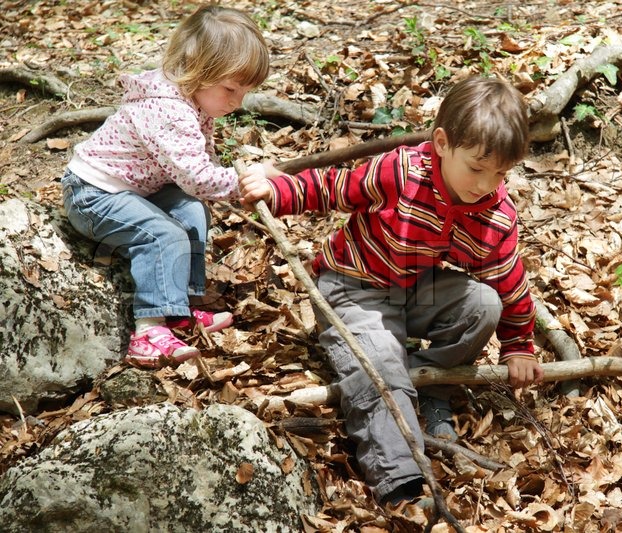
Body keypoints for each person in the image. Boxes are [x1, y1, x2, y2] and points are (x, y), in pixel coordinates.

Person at [239, 75, 544, 506]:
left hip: (415, 287)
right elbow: (333, 188)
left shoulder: (494, 214)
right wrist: (277, 188)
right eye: (476, 167)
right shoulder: (400, 172)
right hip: (352, 285)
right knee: (379, 366)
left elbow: (509, 282)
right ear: (441, 143)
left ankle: (432, 387)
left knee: (482, 304)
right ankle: (401, 477)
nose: (485, 183)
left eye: (500, 173)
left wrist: (518, 345)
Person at [61, 5, 272, 368]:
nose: (237, 103)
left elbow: (195, 170)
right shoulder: (168, 109)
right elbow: (198, 177)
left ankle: (178, 307)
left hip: (139, 186)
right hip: (93, 195)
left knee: (191, 210)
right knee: (164, 234)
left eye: (245, 92)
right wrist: (245, 183)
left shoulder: (195, 98)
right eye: (231, 89)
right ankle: (148, 330)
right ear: (198, 70)